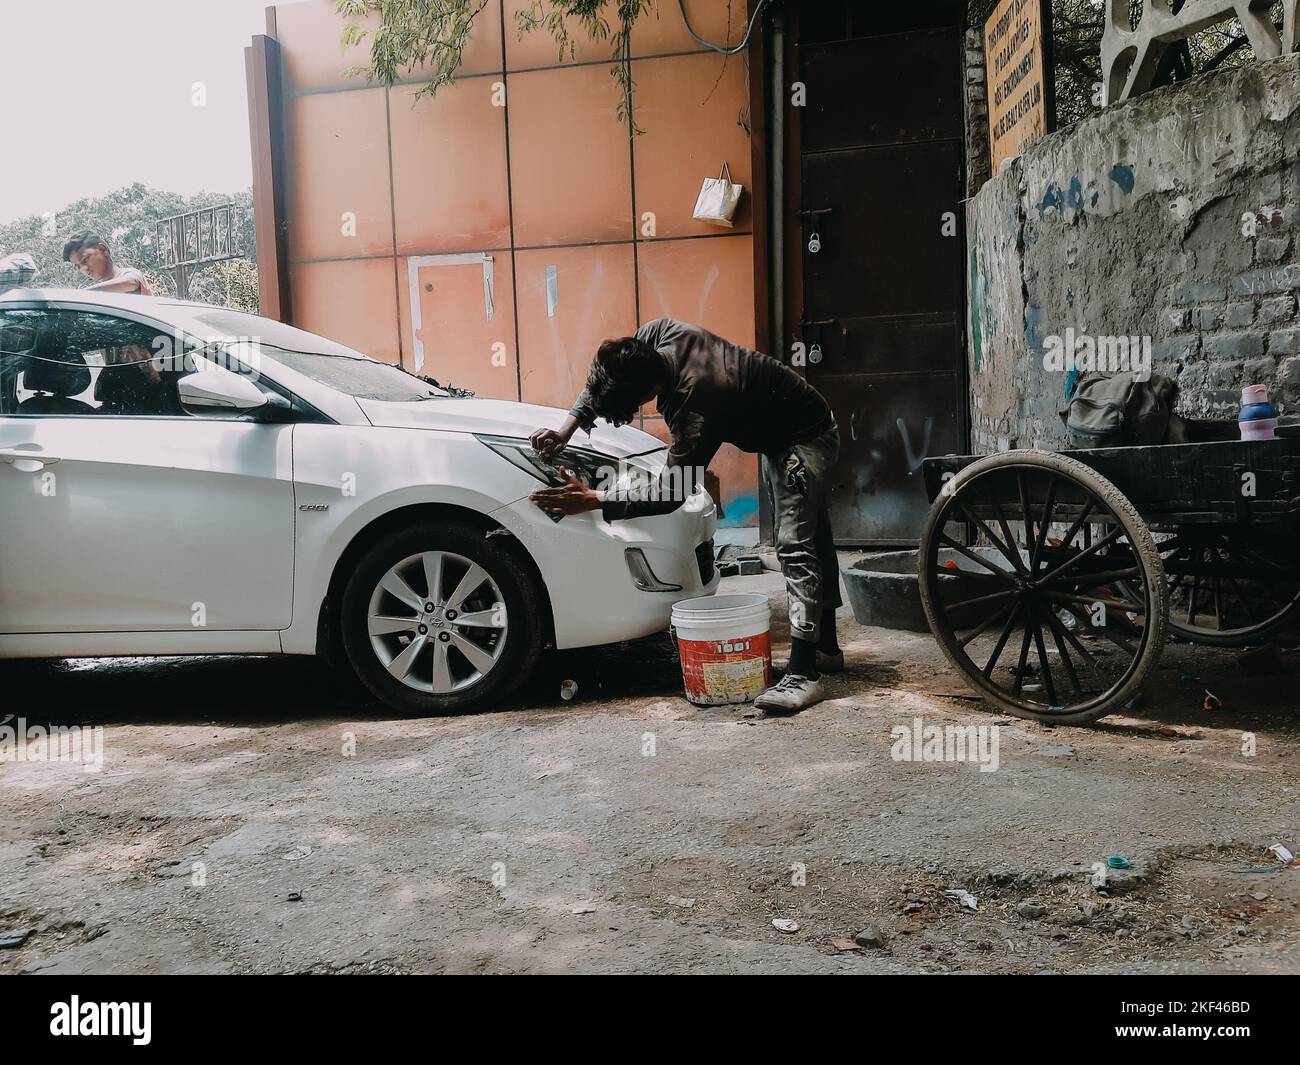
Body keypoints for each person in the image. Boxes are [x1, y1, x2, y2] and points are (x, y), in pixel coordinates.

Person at [529, 317, 843, 714]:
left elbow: (671, 493)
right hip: (782, 426)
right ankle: (826, 649)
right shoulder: (656, 337)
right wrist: (566, 429)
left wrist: (594, 499)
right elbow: (604, 377)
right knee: (811, 532)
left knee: (795, 545)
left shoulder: (698, 404)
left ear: (648, 391)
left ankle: (804, 673)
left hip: (805, 436)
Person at [61, 232, 153, 294]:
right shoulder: (99, 294)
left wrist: (82, 294)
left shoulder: (129, 273)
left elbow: (131, 283)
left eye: (85, 260)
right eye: (78, 267)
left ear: (102, 249)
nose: (83, 269)